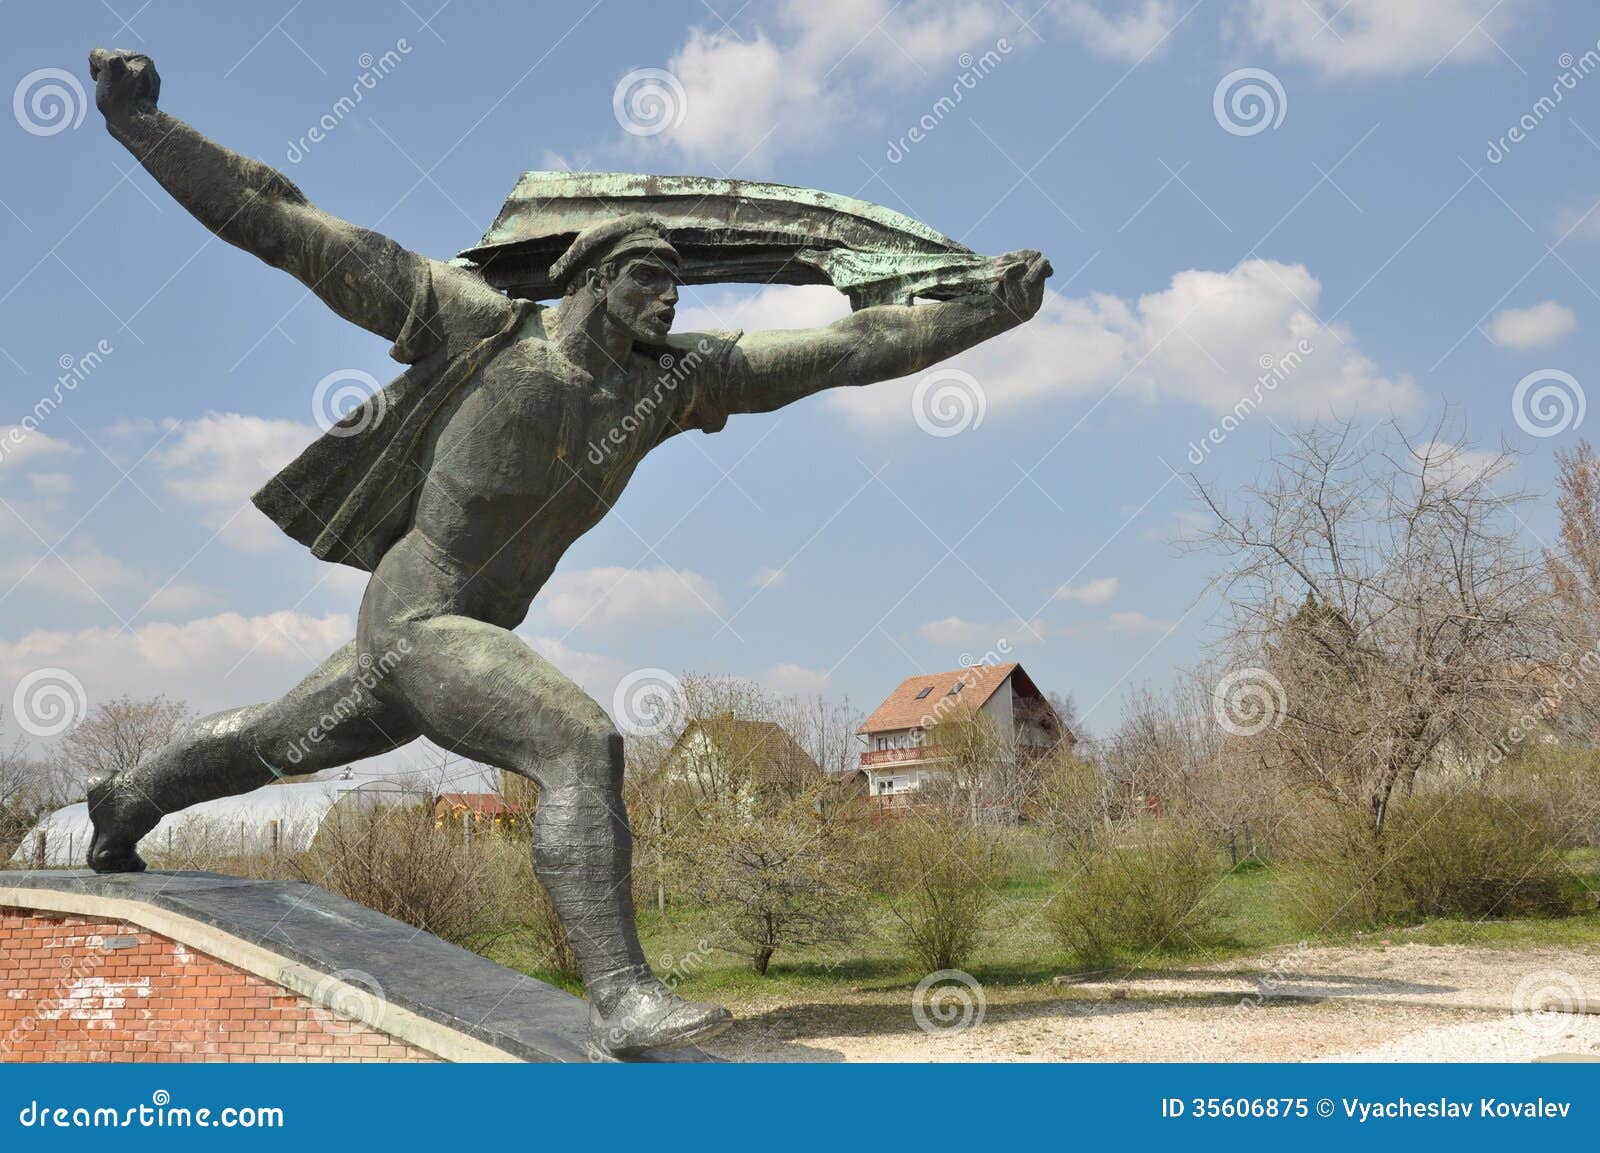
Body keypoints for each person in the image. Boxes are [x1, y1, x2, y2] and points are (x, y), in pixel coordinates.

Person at [81, 47, 1051, 1056]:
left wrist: (989, 310)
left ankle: (128, 797)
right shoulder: (479, 327)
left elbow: (846, 351)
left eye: (678, 284)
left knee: (269, 744)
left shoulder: (666, 384)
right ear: (592, 277)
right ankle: (621, 997)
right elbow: (283, 222)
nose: (670, 301)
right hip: (419, 620)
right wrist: (141, 125)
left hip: (458, 636)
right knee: (578, 744)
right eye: (649, 278)